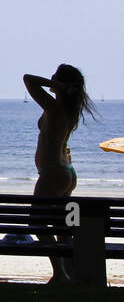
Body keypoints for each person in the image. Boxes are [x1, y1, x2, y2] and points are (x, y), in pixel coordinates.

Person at [24, 65, 97, 284]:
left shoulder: (55, 107)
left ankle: (60, 274)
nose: (51, 77)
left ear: (62, 82)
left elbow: (28, 79)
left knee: (36, 223)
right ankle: (69, 273)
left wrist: (58, 86)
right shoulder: (68, 109)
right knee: (63, 227)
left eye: (55, 75)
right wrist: (62, 87)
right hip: (66, 173)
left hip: (53, 173)